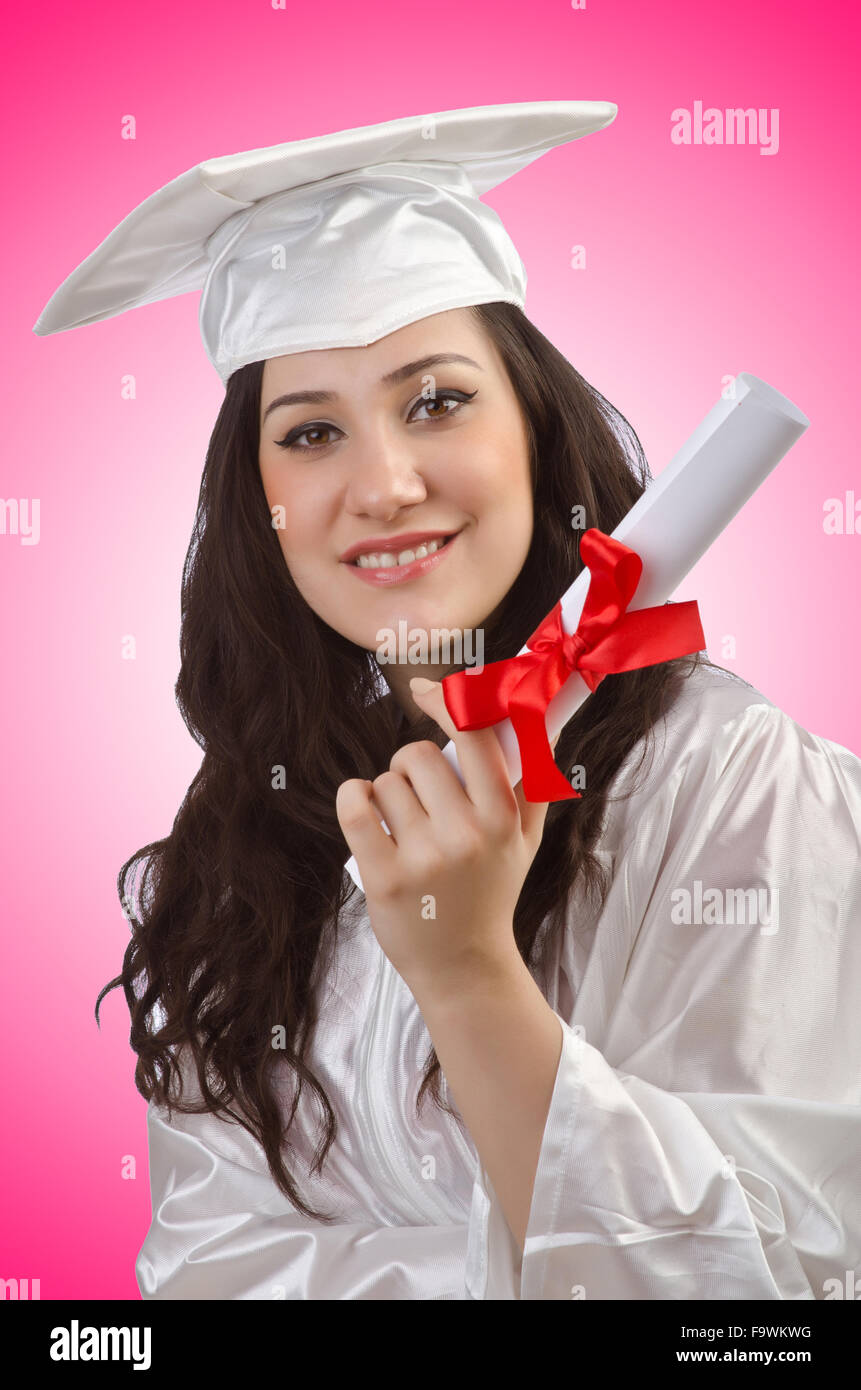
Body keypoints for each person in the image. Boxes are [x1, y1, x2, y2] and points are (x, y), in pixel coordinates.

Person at [35, 103, 861, 1300]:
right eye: (310, 431)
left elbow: (759, 1301)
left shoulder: (737, 789)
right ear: (256, 504)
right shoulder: (239, 851)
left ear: (534, 425)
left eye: (436, 400)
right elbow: (209, 1274)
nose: (383, 483)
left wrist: (468, 969)